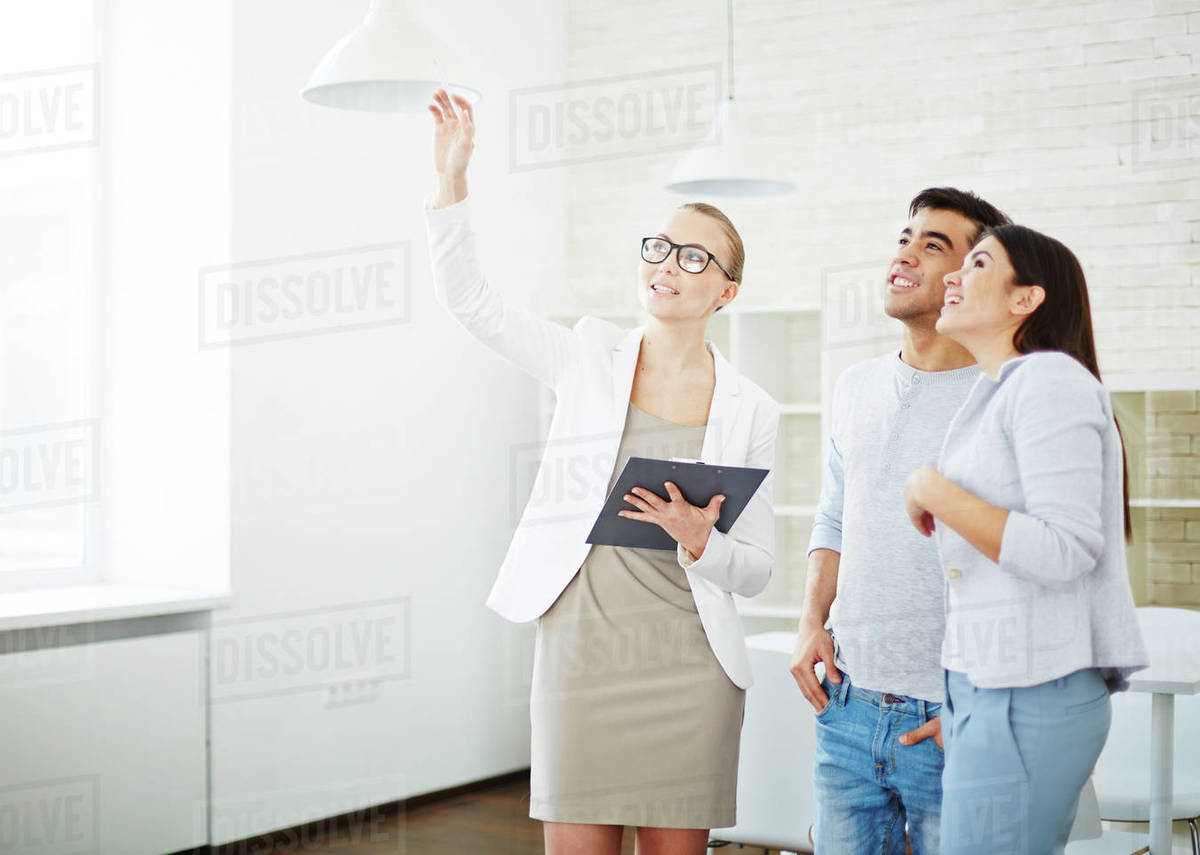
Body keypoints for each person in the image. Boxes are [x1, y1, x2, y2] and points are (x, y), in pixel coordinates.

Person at [423, 90, 780, 855]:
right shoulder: (587, 354)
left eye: (694, 257)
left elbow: (754, 570)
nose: (667, 265)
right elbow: (471, 303)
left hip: (692, 664)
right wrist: (452, 181)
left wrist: (698, 539)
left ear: (727, 290)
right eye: (658, 246)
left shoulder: (752, 408)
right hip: (582, 652)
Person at [903, 224, 1148, 854]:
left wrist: (933, 489)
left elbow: (1063, 549)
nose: (953, 276)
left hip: (1027, 696)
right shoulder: (999, 390)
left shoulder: (1049, 381)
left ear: (1026, 299)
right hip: (995, 693)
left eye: (978, 263)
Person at [790, 188, 1011, 854]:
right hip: (847, 709)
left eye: (933, 244)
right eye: (904, 237)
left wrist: (981, 702)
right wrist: (809, 622)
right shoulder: (855, 385)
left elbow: (1033, 561)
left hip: (952, 718)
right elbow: (834, 516)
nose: (905, 253)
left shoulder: (1004, 396)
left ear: (974, 278)